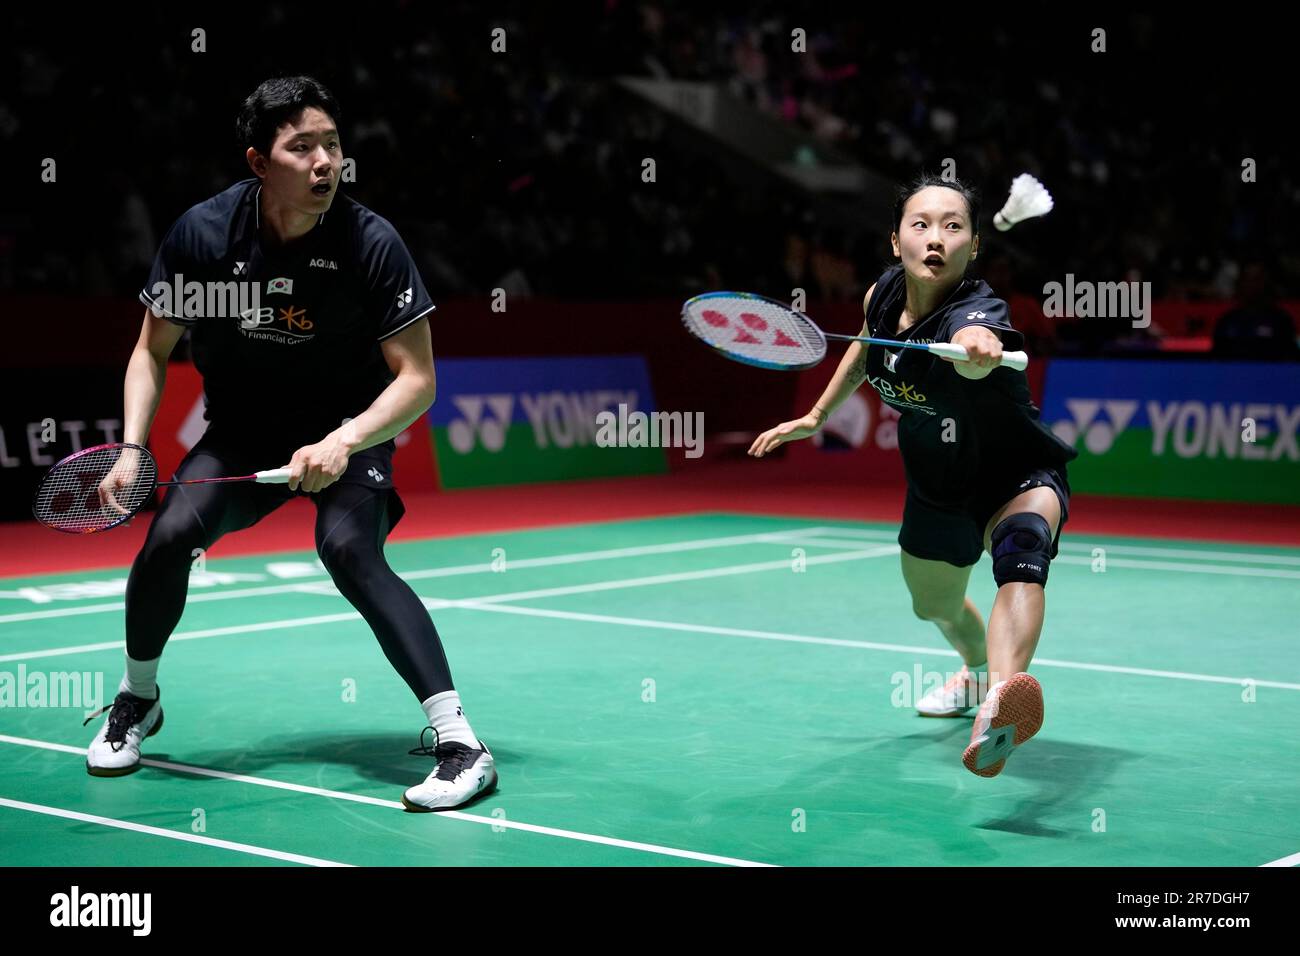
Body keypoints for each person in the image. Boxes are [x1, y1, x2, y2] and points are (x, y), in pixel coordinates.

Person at [85, 75, 495, 811]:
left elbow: (418, 381)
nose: (324, 162)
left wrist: (345, 439)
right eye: (301, 146)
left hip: (351, 427)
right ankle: (136, 698)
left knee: (350, 552)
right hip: (244, 433)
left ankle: (461, 741)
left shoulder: (370, 242)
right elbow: (151, 352)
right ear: (258, 162)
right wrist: (131, 448)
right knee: (171, 532)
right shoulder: (206, 237)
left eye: (332, 145)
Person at [749, 174, 1077, 777]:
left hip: (1014, 469)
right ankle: (977, 674)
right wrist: (817, 415)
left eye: (953, 227)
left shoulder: (979, 311)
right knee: (936, 607)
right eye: (920, 224)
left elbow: (977, 338)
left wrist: (977, 349)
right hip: (936, 481)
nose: (935, 238)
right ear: (896, 238)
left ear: (974, 246)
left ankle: (1001, 705)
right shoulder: (882, 292)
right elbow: (868, 345)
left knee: (1022, 551)